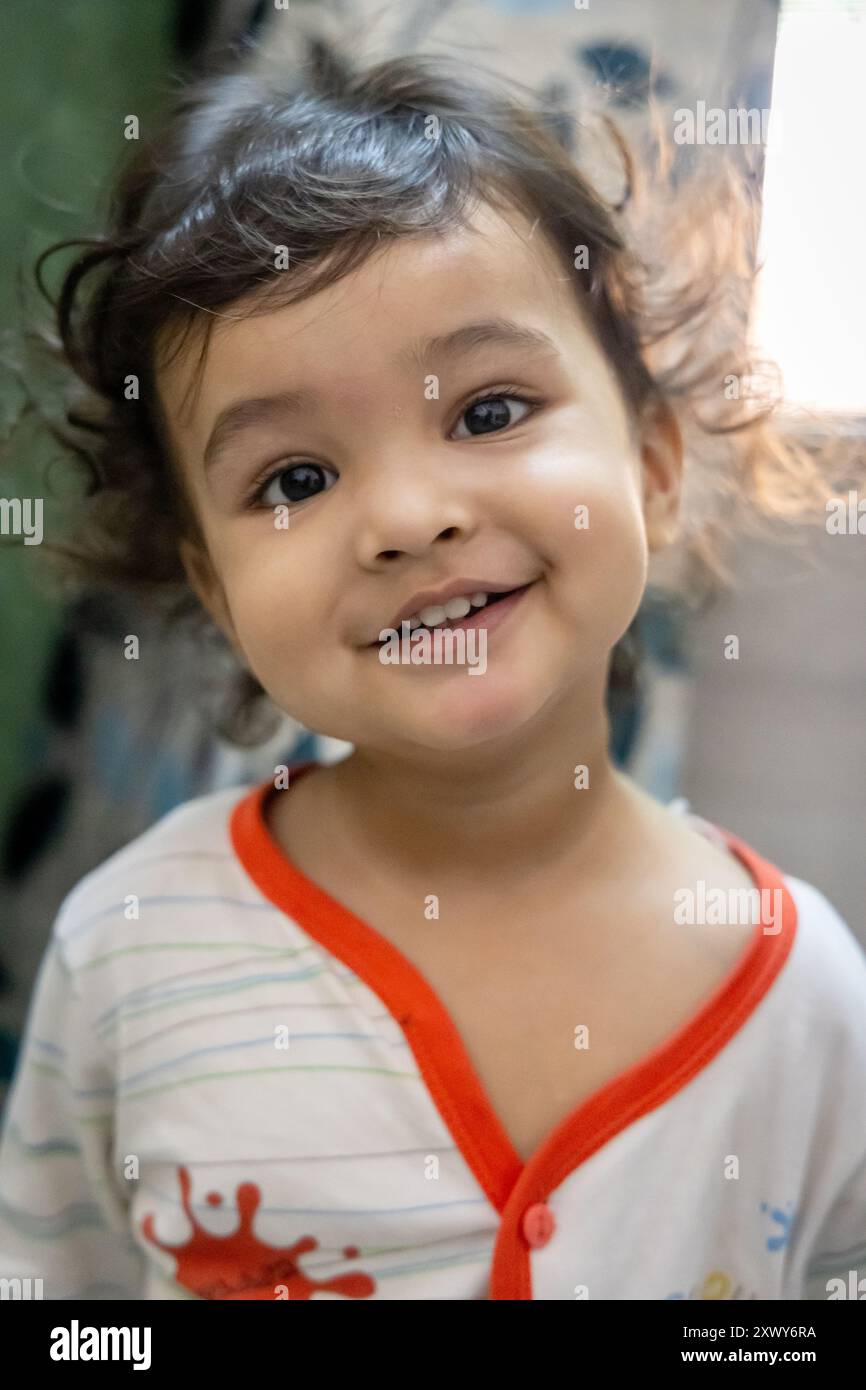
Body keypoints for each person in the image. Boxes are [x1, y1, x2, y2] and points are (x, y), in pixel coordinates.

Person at [1, 38, 863, 1302]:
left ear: (655, 466)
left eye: (487, 410)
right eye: (294, 479)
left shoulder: (809, 1002)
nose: (406, 515)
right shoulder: (130, 955)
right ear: (215, 588)